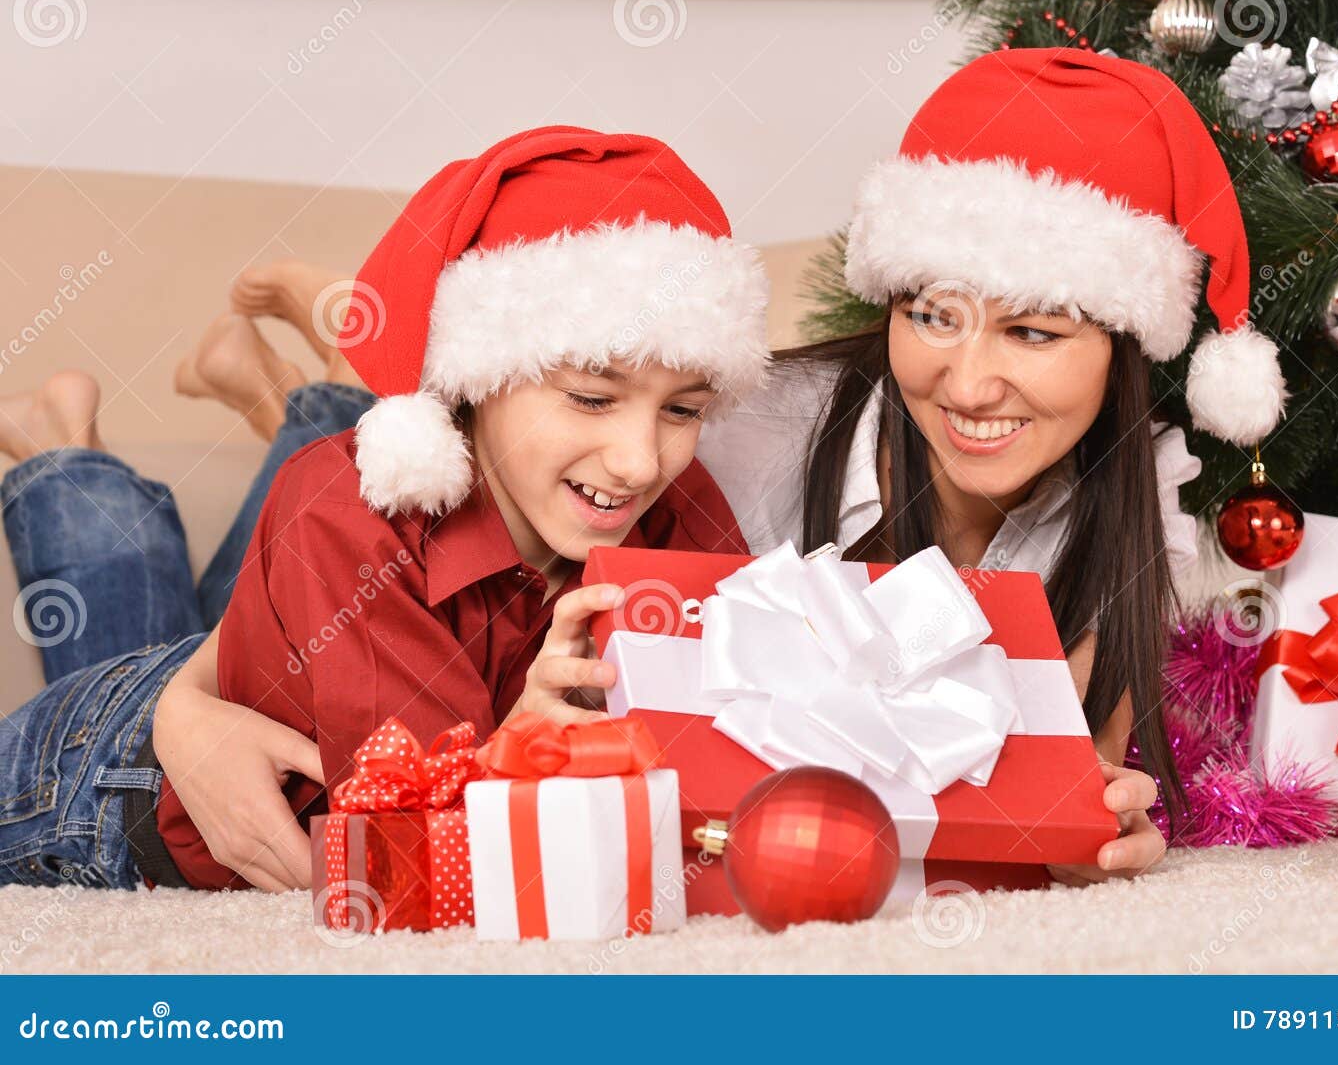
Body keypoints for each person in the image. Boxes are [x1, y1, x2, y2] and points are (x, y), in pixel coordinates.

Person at [0, 125, 770, 893]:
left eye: (683, 411)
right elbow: (418, 864)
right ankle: (68, 453)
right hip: (96, 777)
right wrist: (515, 753)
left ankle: (85, 435)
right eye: (591, 398)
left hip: (248, 667)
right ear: (480, 373)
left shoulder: (679, 500)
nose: (641, 461)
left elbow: (733, 756)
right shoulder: (348, 517)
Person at [693, 48, 1288, 884]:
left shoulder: (1132, 483)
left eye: (1033, 333)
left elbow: (1080, 780)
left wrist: (1101, 818)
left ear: (1121, 354)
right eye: (932, 315)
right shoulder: (750, 436)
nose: (968, 385)